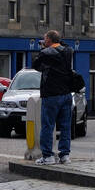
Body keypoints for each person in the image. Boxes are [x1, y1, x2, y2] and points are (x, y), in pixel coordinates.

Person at [33, 30, 74, 166]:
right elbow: (63, 46)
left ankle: (48, 156)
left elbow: (36, 66)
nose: (43, 41)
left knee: (47, 126)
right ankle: (65, 156)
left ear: (49, 40)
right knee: (65, 126)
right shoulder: (68, 51)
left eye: (45, 39)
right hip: (66, 94)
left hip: (51, 94)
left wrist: (44, 49)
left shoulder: (45, 53)